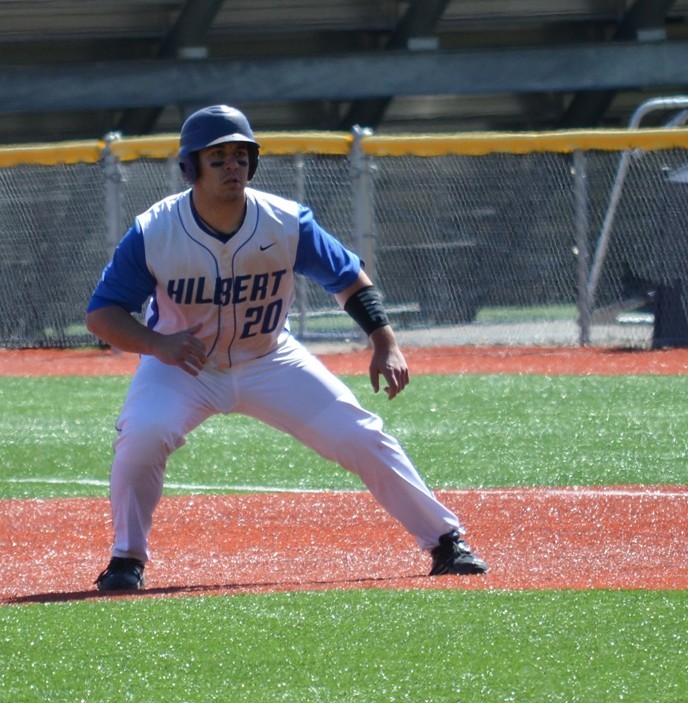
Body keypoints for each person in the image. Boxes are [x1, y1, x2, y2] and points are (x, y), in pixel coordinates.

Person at [86, 105, 488, 591]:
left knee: (360, 434)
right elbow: (102, 314)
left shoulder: (284, 220)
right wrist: (156, 344)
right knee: (143, 434)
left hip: (271, 359)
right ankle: (127, 559)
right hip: (183, 366)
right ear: (191, 167)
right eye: (219, 158)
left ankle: (446, 541)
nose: (233, 166)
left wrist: (384, 340)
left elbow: (349, 280)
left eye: (241, 156)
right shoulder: (155, 230)